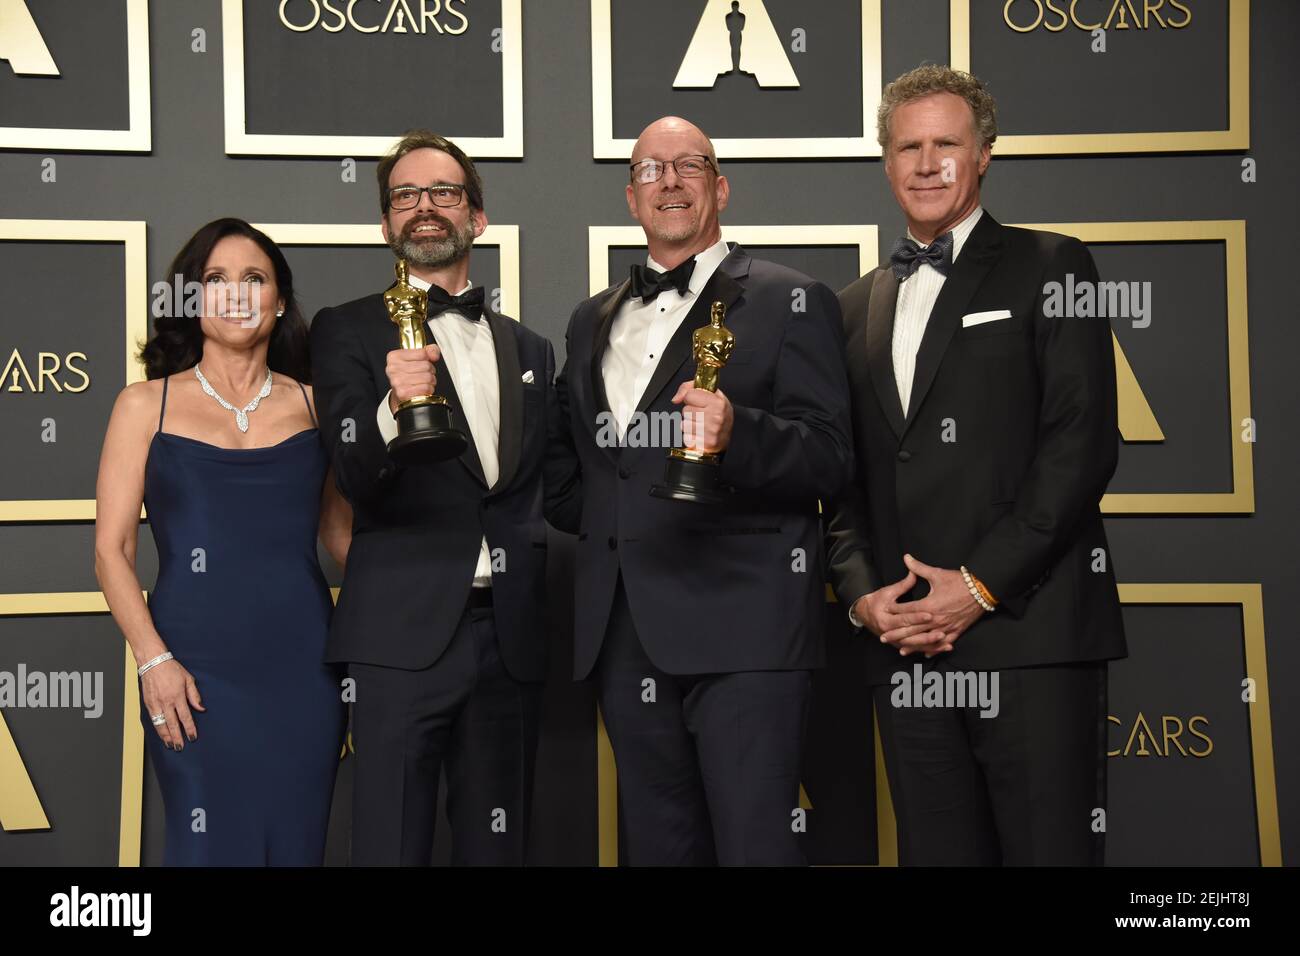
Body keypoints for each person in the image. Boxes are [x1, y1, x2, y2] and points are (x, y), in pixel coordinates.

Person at [827, 65, 1128, 865]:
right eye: (908, 147)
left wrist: (981, 584)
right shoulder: (852, 306)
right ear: (887, 162)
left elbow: (1083, 442)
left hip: (1030, 634)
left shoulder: (1058, 265)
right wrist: (863, 598)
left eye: (946, 145)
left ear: (985, 154)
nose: (927, 164)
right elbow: (843, 478)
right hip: (907, 648)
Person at [551, 116, 852, 866]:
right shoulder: (591, 319)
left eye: (689, 166)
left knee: (756, 846)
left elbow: (831, 458)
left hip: (745, 629)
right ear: (630, 196)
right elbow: (587, 472)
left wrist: (738, 434)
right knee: (658, 848)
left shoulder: (793, 299)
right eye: (652, 170)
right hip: (626, 631)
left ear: (719, 186)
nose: (671, 181)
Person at [309, 130, 574, 865]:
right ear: (386, 224)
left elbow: (554, 487)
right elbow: (354, 475)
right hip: (399, 640)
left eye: (445, 193)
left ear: (477, 218)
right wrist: (394, 407)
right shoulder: (346, 330)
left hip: (510, 637)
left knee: (501, 847)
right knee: (390, 844)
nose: (425, 208)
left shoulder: (530, 348)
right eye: (405, 196)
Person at [94, 218, 352, 865]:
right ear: (191, 298)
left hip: (304, 671)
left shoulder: (319, 407)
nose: (236, 294)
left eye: (254, 279)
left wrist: (431, 596)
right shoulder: (142, 405)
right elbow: (111, 550)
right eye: (216, 279)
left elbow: (341, 535)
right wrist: (153, 661)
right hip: (190, 670)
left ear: (281, 300)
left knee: (295, 849)